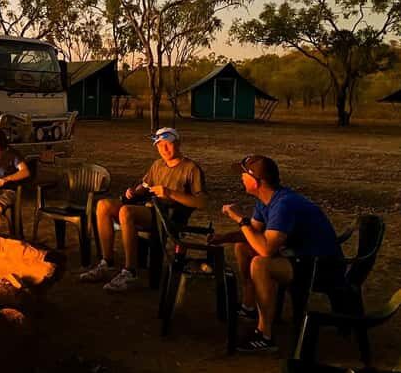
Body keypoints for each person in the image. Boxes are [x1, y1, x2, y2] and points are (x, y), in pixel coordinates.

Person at [217, 155, 341, 354]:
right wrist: (224, 237)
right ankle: (249, 306)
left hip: (322, 265)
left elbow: (266, 249)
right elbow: (252, 233)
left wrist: (239, 218)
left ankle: (264, 335)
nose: (240, 178)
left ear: (256, 181)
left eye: (243, 174)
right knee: (243, 247)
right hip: (301, 257)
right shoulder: (266, 200)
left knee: (261, 263)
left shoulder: (283, 204)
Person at [80, 127, 207, 291]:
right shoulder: (158, 165)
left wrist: (170, 193)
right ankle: (106, 263)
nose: (164, 149)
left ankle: (129, 271)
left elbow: (202, 202)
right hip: (150, 208)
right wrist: (134, 192)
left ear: (178, 143)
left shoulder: (191, 168)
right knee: (103, 205)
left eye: (168, 144)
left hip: (168, 216)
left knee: (126, 212)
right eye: (160, 145)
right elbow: (145, 185)